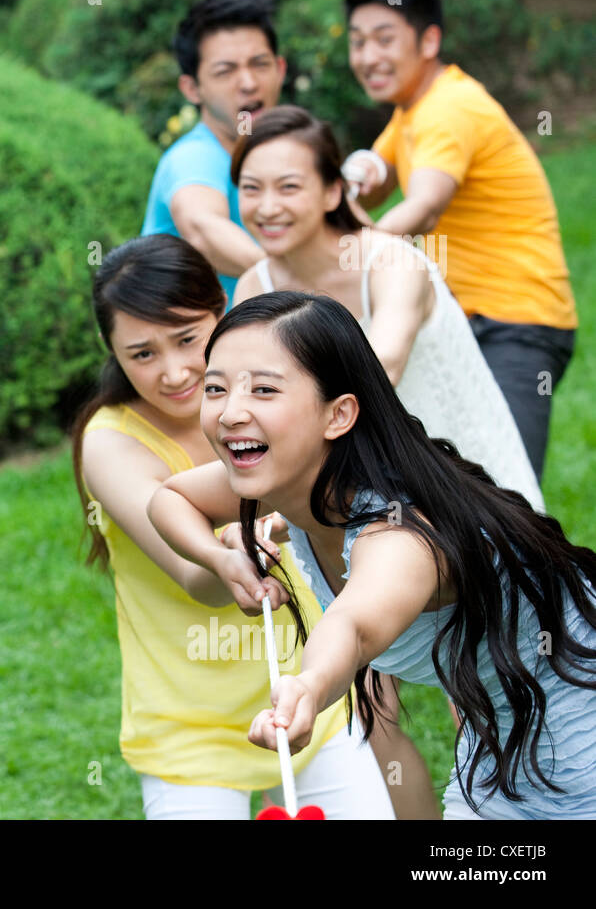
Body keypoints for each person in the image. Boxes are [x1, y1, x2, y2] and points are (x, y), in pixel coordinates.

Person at [147, 291, 596, 818]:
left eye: (264, 389)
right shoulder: (291, 477)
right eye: (217, 388)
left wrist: (309, 688)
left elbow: (355, 625)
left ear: (338, 414)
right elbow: (169, 497)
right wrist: (223, 557)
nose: (230, 412)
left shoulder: (400, 534)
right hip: (506, 734)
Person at [71, 234, 395, 819]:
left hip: (304, 691)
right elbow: (194, 578)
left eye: (189, 340)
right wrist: (227, 556)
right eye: (141, 354)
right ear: (112, 354)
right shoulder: (110, 442)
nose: (174, 372)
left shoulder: (275, 402)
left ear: (222, 313)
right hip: (186, 725)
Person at [231, 105, 545, 512]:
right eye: (251, 188)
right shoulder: (255, 286)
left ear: (332, 192)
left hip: (465, 472)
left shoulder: (392, 262)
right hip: (357, 485)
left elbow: (383, 365)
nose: (267, 207)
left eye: (288, 187)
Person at [341, 0, 577, 483]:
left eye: (384, 39)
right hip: (466, 319)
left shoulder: (447, 109)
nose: (367, 57)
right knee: (457, 486)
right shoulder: (414, 110)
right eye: (358, 42)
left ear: (429, 40)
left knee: (507, 492)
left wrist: (345, 260)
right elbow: (378, 179)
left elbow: (422, 205)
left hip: (514, 323)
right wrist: (360, 171)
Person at [141, 0, 286, 304]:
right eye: (225, 71)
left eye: (260, 64)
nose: (248, 83)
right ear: (192, 89)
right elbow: (202, 228)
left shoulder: (291, 152)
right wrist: (293, 278)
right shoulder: (194, 157)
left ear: (280, 69)